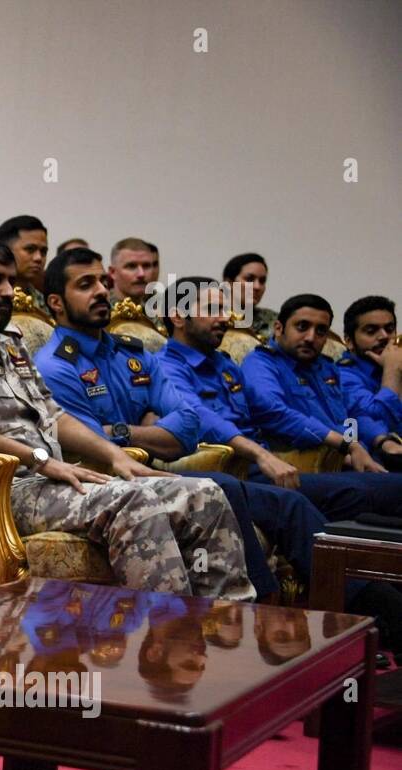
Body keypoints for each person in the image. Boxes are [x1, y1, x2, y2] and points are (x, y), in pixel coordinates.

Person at [0, 237, 254, 601]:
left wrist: (117, 457)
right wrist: (38, 458)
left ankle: (221, 628)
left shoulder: (9, 343)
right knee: (133, 502)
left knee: (204, 494)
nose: (8, 292)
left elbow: (54, 415)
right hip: (1, 488)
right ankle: (166, 639)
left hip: (52, 480)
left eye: (11, 281)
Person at [32, 248, 355, 607]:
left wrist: (122, 431)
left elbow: (188, 426)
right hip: (107, 483)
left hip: (154, 470)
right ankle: (262, 606)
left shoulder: (133, 353)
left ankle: (348, 604)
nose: (100, 291)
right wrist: (150, 430)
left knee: (289, 503)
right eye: (85, 285)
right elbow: (95, 447)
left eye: (103, 282)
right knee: (245, 492)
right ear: (56, 303)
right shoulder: (54, 365)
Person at [157, 278, 402, 520]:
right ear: (178, 317)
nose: (225, 318)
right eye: (213, 310)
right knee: (354, 494)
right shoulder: (165, 366)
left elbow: (268, 412)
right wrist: (262, 455)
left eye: (225, 309)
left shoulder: (225, 364)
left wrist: (353, 443)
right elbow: (202, 417)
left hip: (263, 464)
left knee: (389, 486)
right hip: (228, 470)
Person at [242, 293, 402, 471]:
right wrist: (345, 445)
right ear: (279, 329)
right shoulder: (261, 363)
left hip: (347, 457)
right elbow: (273, 412)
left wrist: (374, 441)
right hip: (297, 462)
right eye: (302, 327)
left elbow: (350, 418)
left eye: (320, 331)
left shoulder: (326, 368)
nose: (311, 337)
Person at [337, 296, 402, 464]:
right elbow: (377, 417)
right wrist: (392, 371)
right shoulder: (343, 376)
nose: (384, 336)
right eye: (371, 331)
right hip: (377, 462)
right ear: (350, 341)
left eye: (389, 329)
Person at [0, 215, 49, 317]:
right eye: (30, 249)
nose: (38, 258)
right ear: (5, 251)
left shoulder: (46, 304)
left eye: (43, 251)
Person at [222, 253, 279, 341]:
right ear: (229, 283)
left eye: (262, 281)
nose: (257, 287)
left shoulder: (274, 321)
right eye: (249, 279)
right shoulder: (211, 318)